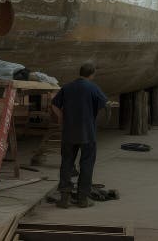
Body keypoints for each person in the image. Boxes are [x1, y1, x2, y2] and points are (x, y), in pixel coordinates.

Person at [51, 63, 107, 209]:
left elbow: (55, 105)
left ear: (80, 72)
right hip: (88, 133)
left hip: (69, 132)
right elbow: (103, 105)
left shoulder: (67, 87)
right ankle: (82, 199)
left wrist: (62, 117)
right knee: (87, 163)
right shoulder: (93, 88)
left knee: (67, 163)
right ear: (92, 74)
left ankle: (64, 198)